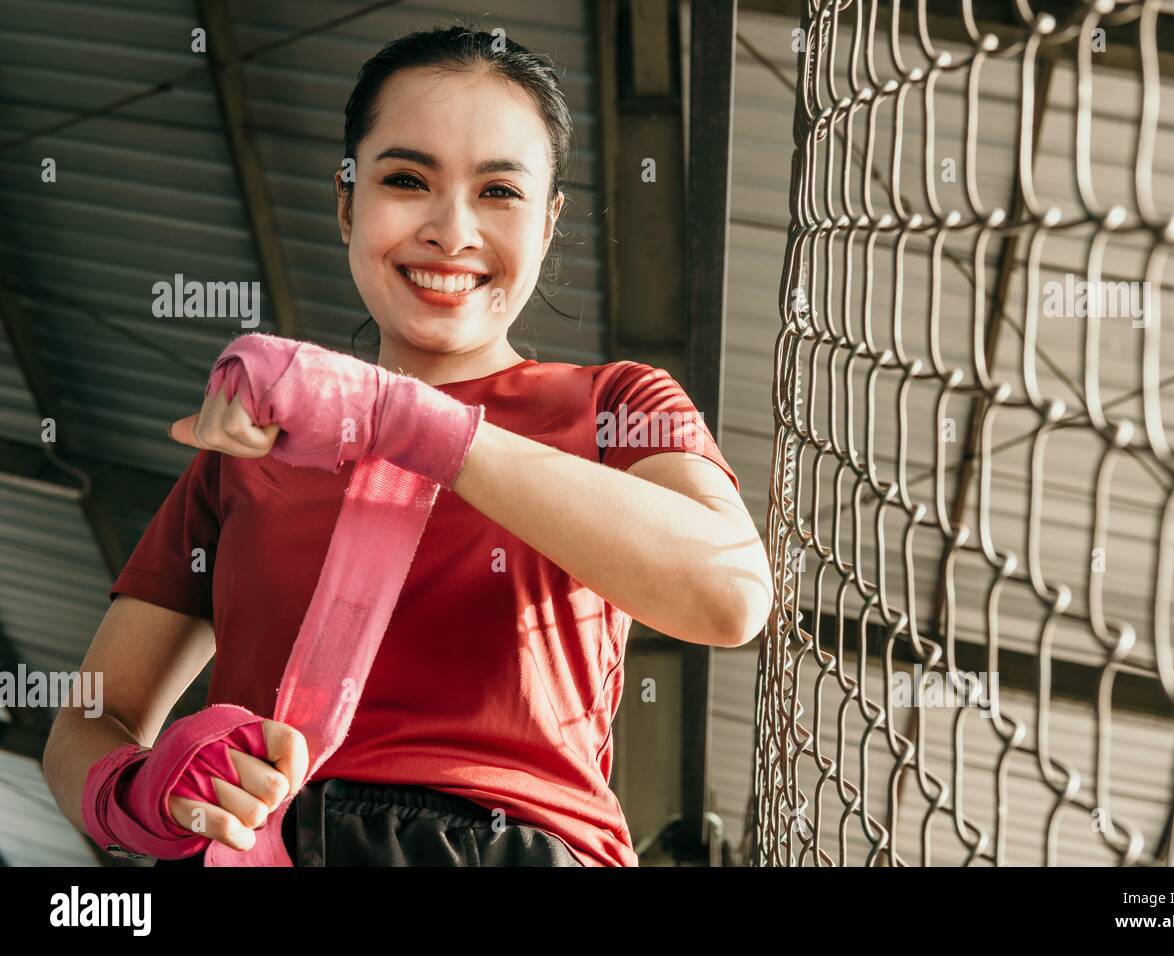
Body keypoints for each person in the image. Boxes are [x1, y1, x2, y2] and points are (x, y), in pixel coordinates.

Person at [42, 23, 773, 867]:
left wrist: (401, 419)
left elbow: (730, 594)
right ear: (347, 200)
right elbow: (90, 721)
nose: (451, 230)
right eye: (405, 178)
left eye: (499, 191)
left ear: (547, 224)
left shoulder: (615, 405)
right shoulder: (251, 451)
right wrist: (145, 789)